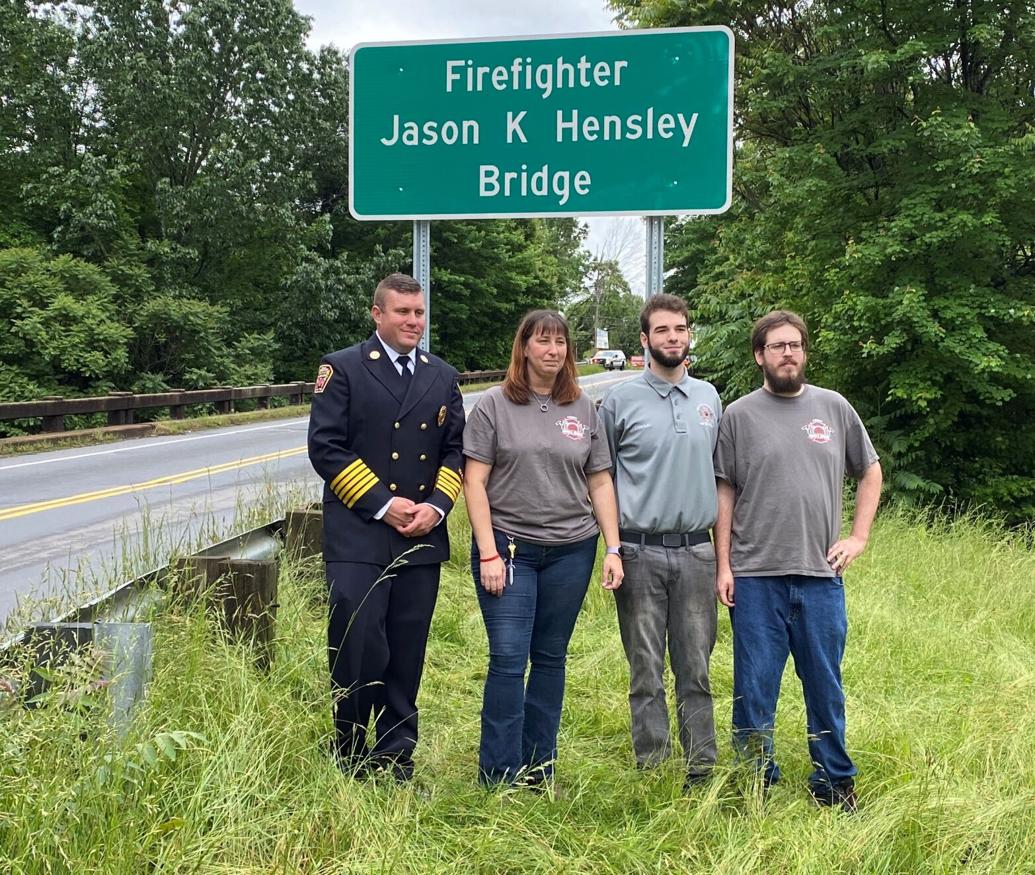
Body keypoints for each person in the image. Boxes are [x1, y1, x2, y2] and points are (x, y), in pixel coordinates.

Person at [713, 310, 882, 812]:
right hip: (755, 575)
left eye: (795, 345)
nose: (788, 353)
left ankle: (833, 782)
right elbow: (724, 492)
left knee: (825, 686)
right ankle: (755, 781)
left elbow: (870, 472)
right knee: (753, 687)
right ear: (759, 355)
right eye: (777, 346)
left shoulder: (833, 409)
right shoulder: (738, 416)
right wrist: (724, 566)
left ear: (805, 352)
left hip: (820, 576)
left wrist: (858, 536)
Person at [307, 272, 465, 782]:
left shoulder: (442, 375)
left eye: (419, 313)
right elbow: (327, 448)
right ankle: (350, 748)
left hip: (420, 534)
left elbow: (455, 450)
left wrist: (437, 506)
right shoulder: (344, 368)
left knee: (407, 645)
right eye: (402, 312)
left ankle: (397, 753)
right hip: (360, 532)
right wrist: (383, 504)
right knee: (357, 644)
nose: (413, 321)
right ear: (377, 314)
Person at [462, 309, 624, 787]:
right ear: (525, 347)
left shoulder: (583, 407)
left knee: (551, 657)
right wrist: (488, 552)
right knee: (509, 658)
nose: (552, 350)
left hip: (572, 550)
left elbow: (599, 481)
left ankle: (539, 765)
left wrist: (613, 548)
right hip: (510, 551)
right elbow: (475, 481)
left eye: (560, 342)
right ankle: (498, 772)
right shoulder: (493, 405)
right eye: (542, 341)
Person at [599, 293, 721, 790]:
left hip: (697, 550)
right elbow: (600, 476)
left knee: (696, 666)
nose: (673, 337)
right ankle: (651, 764)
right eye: (663, 330)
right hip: (638, 550)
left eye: (681, 328)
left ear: (689, 335)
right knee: (645, 667)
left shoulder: (711, 398)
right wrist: (610, 547)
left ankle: (701, 767)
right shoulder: (619, 401)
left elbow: (722, 476)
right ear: (645, 340)